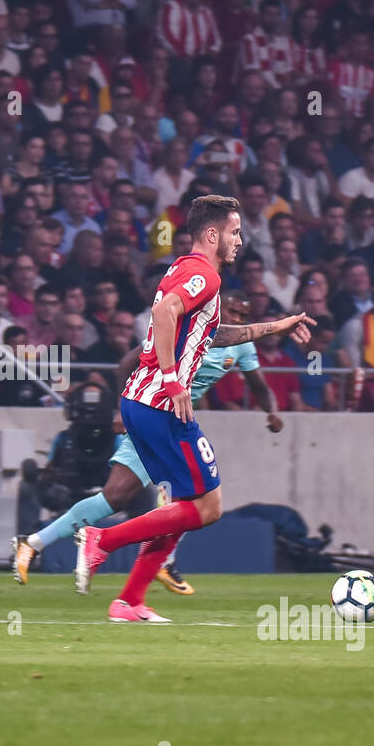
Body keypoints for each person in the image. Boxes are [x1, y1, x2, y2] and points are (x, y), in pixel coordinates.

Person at [72, 195, 313, 622]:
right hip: (162, 405)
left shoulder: (188, 272)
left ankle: (129, 601)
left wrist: (280, 324)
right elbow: (163, 312)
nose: (240, 241)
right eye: (235, 232)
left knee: (182, 509)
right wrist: (172, 379)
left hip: (141, 404)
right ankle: (100, 540)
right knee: (208, 507)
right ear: (213, 234)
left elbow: (215, 335)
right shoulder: (205, 275)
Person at [11, 288, 294, 592]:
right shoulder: (187, 329)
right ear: (217, 309)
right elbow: (126, 364)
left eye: (243, 316)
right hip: (151, 414)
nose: (237, 319)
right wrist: (121, 411)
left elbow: (258, 385)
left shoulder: (240, 346)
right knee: (197, 499)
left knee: (117, 497)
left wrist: (271, 412)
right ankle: (157, 562)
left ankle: (34, 542)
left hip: (169, 423)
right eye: (233, 312)